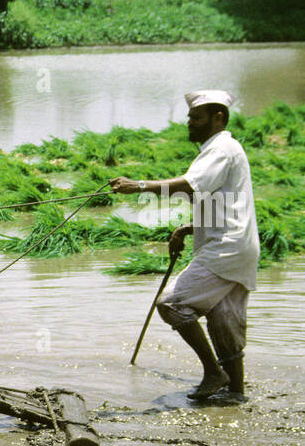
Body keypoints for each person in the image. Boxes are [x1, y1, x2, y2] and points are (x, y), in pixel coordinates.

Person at [110, 90, 259, 400]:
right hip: (238, 246)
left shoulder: (222, 148)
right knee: (223, 322)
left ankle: (213, 372)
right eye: (189, 118)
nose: (190, 124)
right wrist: (189, 228)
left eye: (196, 118)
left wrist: (136, 186)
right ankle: (235, 396)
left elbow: (190, 186)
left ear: (218, 118)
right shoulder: (219, 149)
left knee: (171, 303)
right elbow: (218, 199)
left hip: (225, 248)